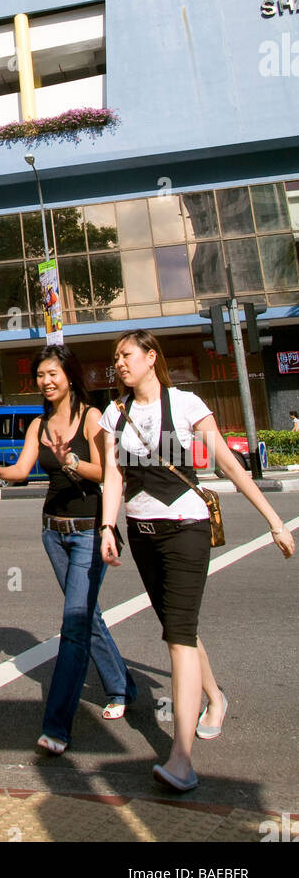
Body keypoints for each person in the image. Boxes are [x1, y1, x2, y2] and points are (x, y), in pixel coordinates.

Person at [100, 330, 295, 793]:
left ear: (151, 357)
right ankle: (215, 698)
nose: (119, 364)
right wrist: (108, 528)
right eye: (116, 359)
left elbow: (228, 463)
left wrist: (275, 521)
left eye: (126, 356)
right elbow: (113, 475)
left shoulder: (187, 404)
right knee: (175, 624)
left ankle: (182, 758)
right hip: (141, 532)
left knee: (179, 636)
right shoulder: (115, 412)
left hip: (187, 528)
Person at [0, 345, 135, 755]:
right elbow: (21, 472)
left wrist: (72, 462)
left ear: (69, 376)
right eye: (40, 375)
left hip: (87, 531)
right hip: (53, 533)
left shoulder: (91, 417)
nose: (46, 381)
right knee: (86, 615)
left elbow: (106, 472)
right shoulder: (37, 426)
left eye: (52, 374)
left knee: (74, 625)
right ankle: (122, 686)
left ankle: (57, 726)